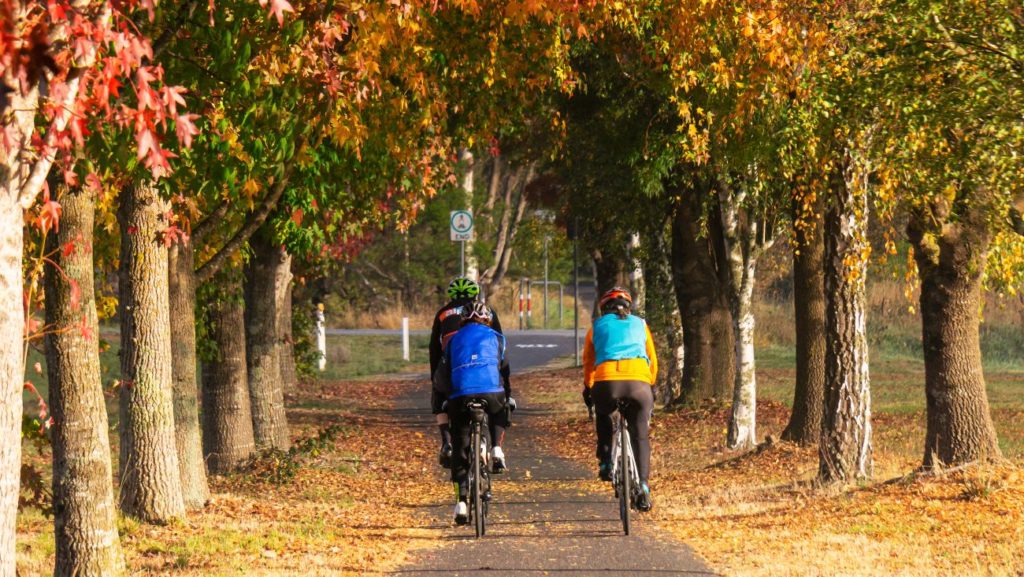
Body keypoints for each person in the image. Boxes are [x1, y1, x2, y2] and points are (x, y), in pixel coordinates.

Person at [582, 287, 658, 512]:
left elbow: (588, 362)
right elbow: (652, 360)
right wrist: (649, 384)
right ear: (629, 307)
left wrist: (589, 387)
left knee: (604, 414)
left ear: (604, 308)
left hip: (608, 382)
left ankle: (606, 461)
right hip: (639, 385)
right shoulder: (641, 324)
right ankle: (643, 486)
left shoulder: (596, 326)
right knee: (640, 435)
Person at [441, 302, 512, 524]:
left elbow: (443, 373)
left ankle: (461, 502)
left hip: (460, 395)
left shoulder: (453, 340)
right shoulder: (496, 337)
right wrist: (507, 394)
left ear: (463, 320)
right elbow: (504, 369)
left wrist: (445, 400)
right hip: (491, 392)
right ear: (487, 319)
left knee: (460, 442)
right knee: (500, 409)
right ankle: (497, 450)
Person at [430, 277, 510, 470]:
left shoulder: (442, 314)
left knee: (442, 399)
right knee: (498, 403)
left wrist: (435, 378)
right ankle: (496, 448)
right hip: (488, 377)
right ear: (475, 294)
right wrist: (507, 387)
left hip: (452, 370)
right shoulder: (488, 311)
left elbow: (434, 349)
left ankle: (447, 442)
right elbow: (500, 348)